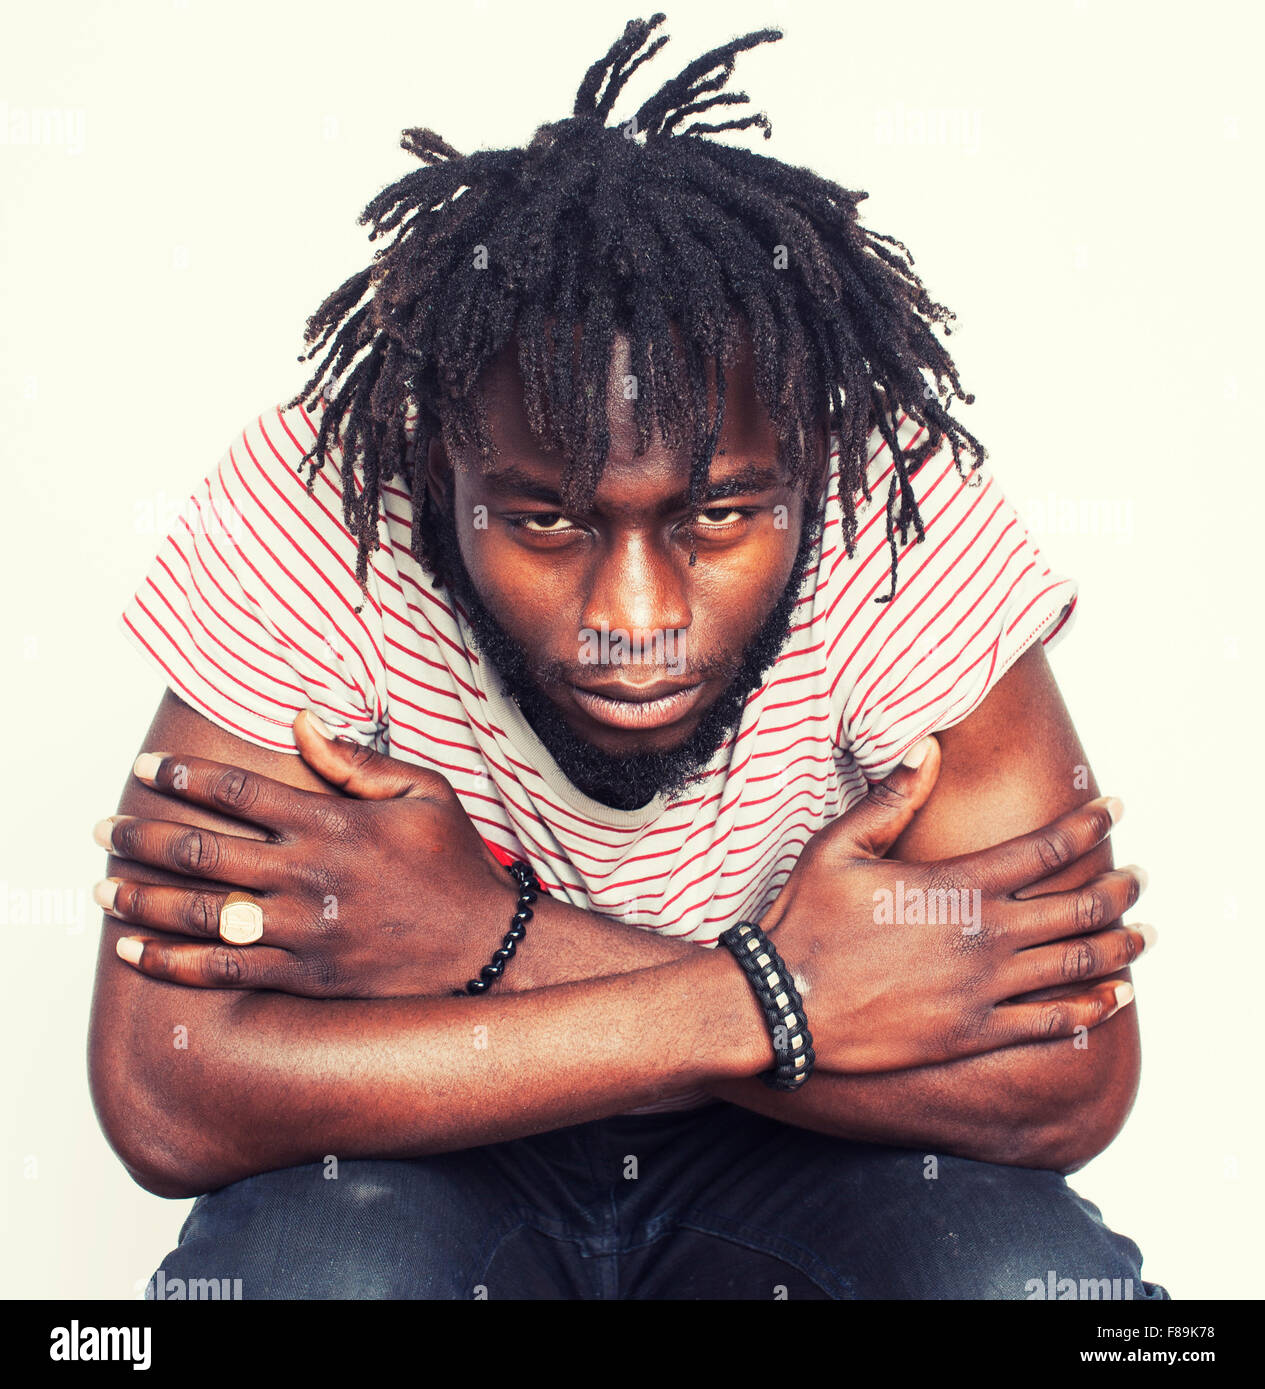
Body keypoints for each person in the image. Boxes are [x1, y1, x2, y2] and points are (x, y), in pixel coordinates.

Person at [88, 15, 1168, 1299]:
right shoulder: (323, 495)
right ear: (441, 466)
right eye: (546, 519)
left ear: (809, 468)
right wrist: (777, 999)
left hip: (800, 1154)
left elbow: (1065, 1086)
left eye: (716, 516)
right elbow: (165, 1088)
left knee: (1030, 1288)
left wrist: (486, 935)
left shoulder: (895, 509)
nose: (634, 619)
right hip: (427, 1137)